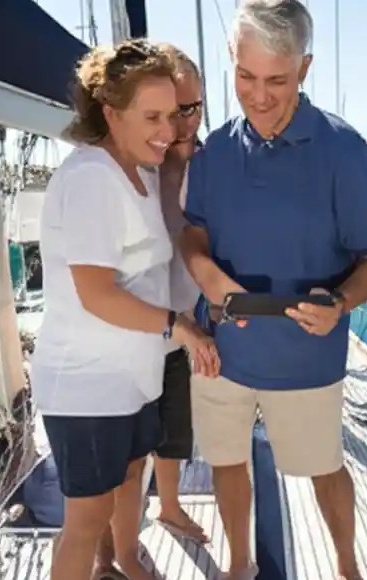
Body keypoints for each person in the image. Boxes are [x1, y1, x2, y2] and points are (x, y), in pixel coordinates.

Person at [178, 0, 367, 580]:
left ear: (305, 67)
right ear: (232, 62)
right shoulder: (212, 154)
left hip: (308, 359)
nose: (260, 96)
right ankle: (241, 560)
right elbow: (193, 238)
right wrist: (215, 284)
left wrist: (343, 304)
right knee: (225, 461)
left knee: (326, 467)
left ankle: (349, 568)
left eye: (277, 80)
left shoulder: (344, 152)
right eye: (246, 77)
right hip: (222, 352)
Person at [30, 39, 219, 580]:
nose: (169, 132)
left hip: (131, 378)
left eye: (175, 115)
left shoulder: (139, 169)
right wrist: (181, 326)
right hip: (86, 386)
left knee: (130, 475)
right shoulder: (87, 180)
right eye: (153, 117)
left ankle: (131, 553)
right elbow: (96, 294)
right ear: (109, 111)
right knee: (81, 526)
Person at [151, 44, 210, 545]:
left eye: (193, 107)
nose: (186, 121)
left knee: (174, 435)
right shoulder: (137, 168)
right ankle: (109, 548)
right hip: (138, 325)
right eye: (174, 111)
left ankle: (169, 509)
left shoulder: (217, 167)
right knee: (125, 452)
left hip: (188, 324)